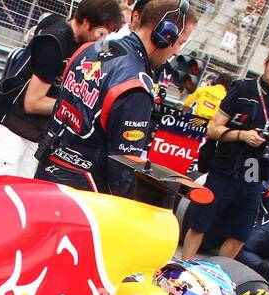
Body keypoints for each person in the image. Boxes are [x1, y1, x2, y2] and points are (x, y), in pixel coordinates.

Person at [34, 0, 196, 198]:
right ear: (164, 35)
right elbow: (123, 169)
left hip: (47, 171)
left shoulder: (89, 49)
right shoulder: (135, 86)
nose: (177, 51)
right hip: (86, 193)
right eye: (179, 42)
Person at [0, 0, 123, 179]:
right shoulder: (54, 42)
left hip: (36, 135)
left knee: (20, 198)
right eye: (101, 33)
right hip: (12, 130)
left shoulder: (81, 44)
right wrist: (77, 106)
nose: (101, 40)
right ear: (86, 22)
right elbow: (33, 103)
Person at [178, 45, 269, 261]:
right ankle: (183, 267)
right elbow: (213, 128)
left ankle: (218, 273)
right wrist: (242, 135)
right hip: (225, 168)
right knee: (200, 223)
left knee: (241, 233)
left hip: (254, 172)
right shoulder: (243, 89)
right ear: (266, 64)